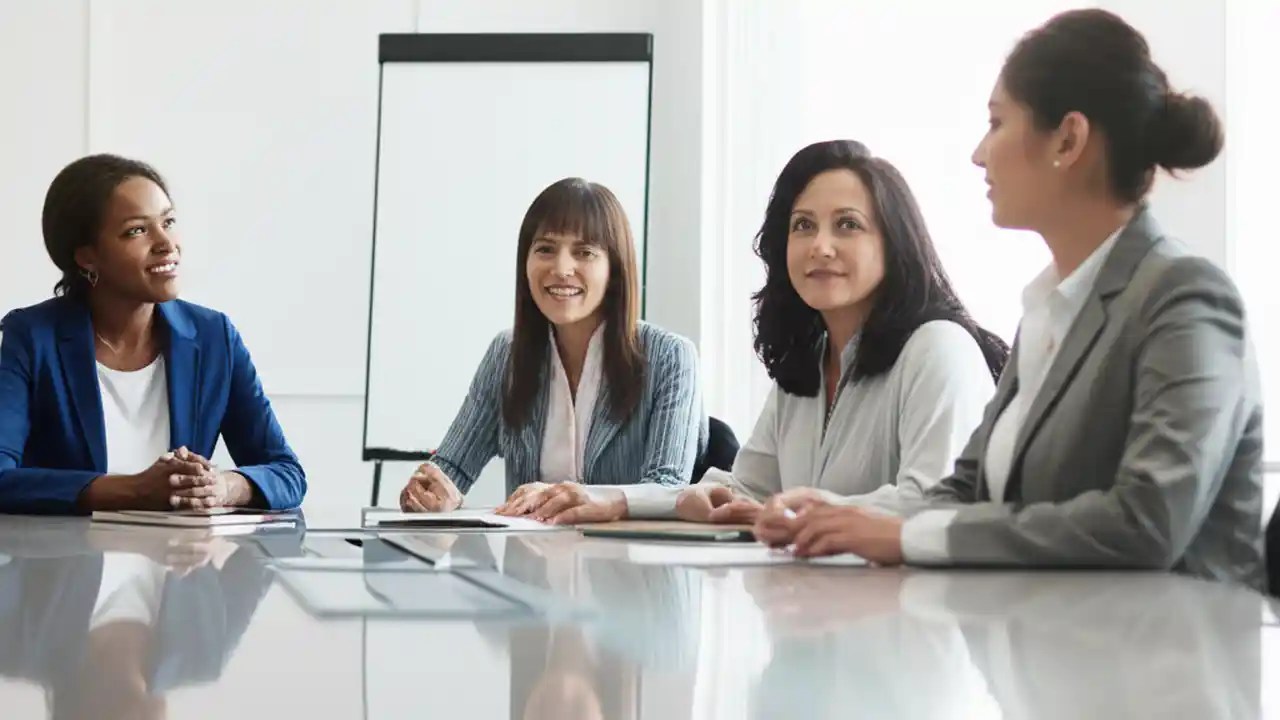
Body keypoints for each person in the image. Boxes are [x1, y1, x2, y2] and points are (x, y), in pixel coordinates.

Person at [756, 9, 1267, 591]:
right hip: (1047, 639)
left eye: (997, 122)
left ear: (1068, 139)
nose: (979, 153)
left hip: (1165, 645)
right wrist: (836, 516)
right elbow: (966, 491)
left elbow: (1147, 522)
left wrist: (902, 537)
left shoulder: (1185, 298)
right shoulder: (1051, 309)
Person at [519, 140, 1006, 525]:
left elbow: (938, 504)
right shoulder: (809, 361)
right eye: (803, 226)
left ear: (894, 243)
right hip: (816, 607)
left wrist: (793, 510)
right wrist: (619, 501)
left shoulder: (938, 348)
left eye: (847, 225)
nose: (820, 246)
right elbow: (746, 490)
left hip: (912, 616)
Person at [0, 154, 306, 514]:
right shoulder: (33, 338)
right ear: (87, 257)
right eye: (137, 230)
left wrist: (223, 487)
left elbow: (286, 472)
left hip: (177, 550)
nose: (166, 243)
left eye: (168, 222)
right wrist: (133, 490)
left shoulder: (213, 336)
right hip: (68, 550)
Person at [398, 178, 707, 516]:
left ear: (615, 268)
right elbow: (451, 470)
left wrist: (572, 496)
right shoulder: (506, 354)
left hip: (625, 551)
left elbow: (668, 487)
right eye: (545, 249)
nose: (561, 269)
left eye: (584, 252)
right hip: (528, 550)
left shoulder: (670, 357)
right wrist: (433, 493)